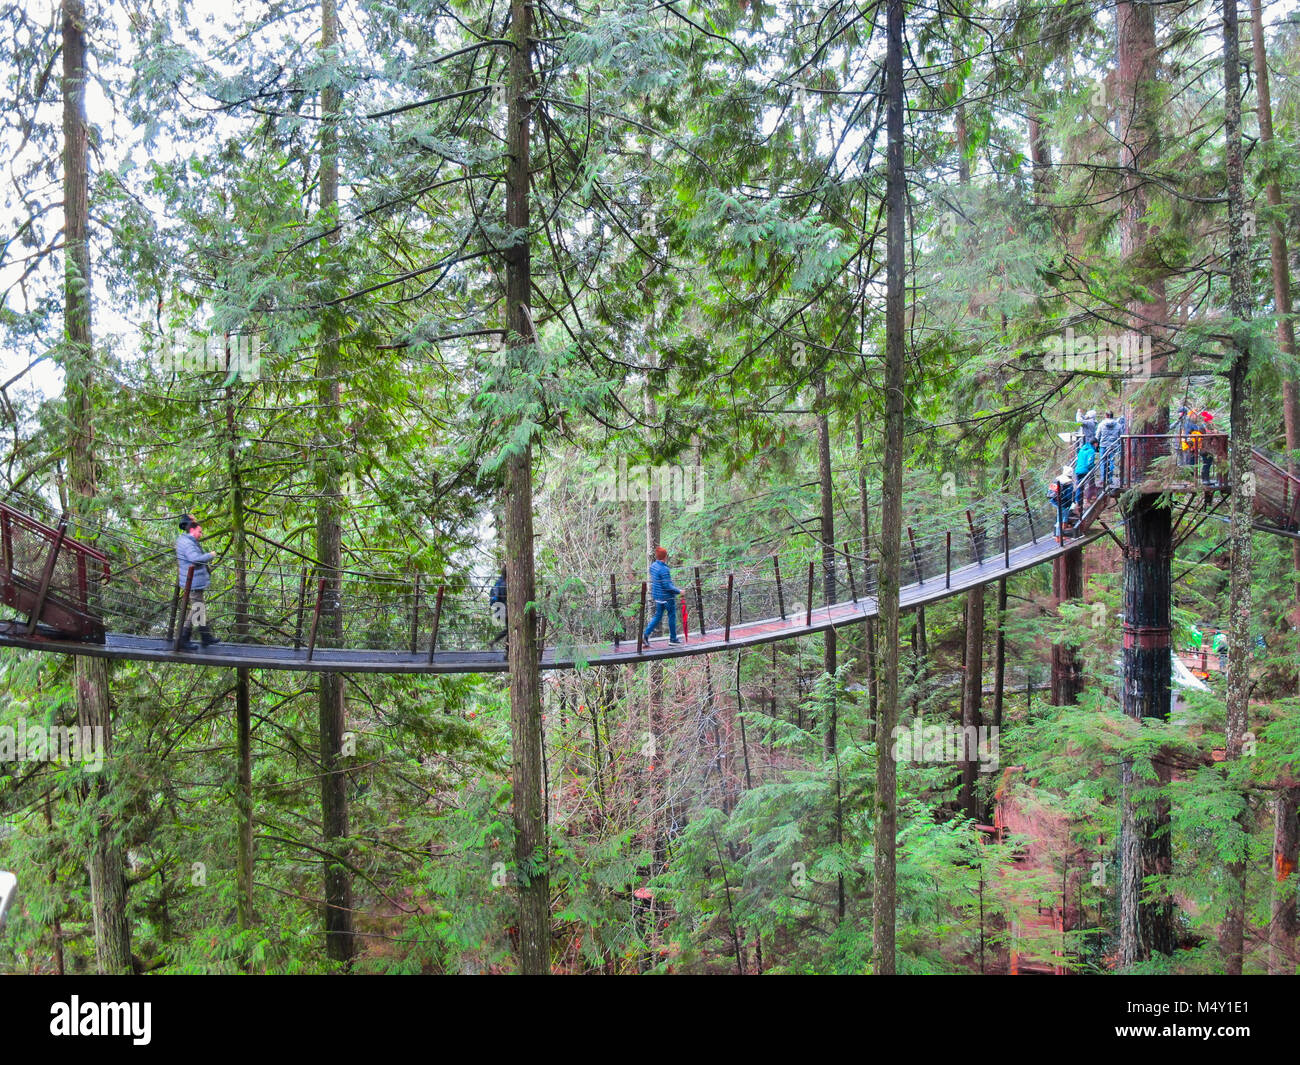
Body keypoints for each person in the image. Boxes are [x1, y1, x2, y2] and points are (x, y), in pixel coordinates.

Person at [175, 514, 220, 650]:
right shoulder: (187, 542)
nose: (201, 534)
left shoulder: (187, 540)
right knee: (197, 608)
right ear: (192, 529)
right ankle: (185, 638)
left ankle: (204, 636)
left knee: (198, 608)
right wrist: (210, 555)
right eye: (199, 531)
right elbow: (195, 559)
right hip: (192, 581)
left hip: (194, 580)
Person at [643, 546, 682, 645]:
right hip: (667, 598)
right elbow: (667, 586)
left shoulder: (653, 566)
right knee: (672, 616)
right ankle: (673, 639)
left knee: (658, 616)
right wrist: (679, 591)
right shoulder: (664, 569)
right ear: (665, 556)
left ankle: (646, 634)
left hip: (658, 597)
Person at [1096, 410, 1122, 488]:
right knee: (1111, 461)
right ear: (1112, 416)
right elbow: (1121, 435)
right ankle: (1110, 479)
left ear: (1106, 415)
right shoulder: (1118, 425)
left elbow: (1097, 436)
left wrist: (1097, 444)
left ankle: (1103, 479)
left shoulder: (1101, 425)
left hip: (1103, 445)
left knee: (1103, 462)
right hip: (1113, 446)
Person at [1049, 468, 1075, 538]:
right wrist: (1071, 503)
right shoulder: (1068, 483)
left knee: (1064, 515)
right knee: (1060, 519)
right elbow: (1069, 496)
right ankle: (1058, 537)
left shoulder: (1057, 479)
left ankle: (1063, 530)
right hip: (1062, 502)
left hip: (1054, 500)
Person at [488, 568, 508, 648]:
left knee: (510, 629)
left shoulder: (499, 582)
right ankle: (507, 649)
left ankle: (495, 642)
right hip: (503, 610)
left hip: (498, 610)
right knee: (511, 628)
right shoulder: (504, 584)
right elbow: (505, 598)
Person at [1075, 437, 1097, 502]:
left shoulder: (1082, 449)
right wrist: (1093, 468)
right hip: (1084, 471)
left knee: (1079, 486)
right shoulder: (1091, 451)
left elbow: (1077, 460)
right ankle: (1089, 498)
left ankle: (1078, 502)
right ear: (1095, 444)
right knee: (1091, 482)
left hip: (1078, 470)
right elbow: (1089, 463)